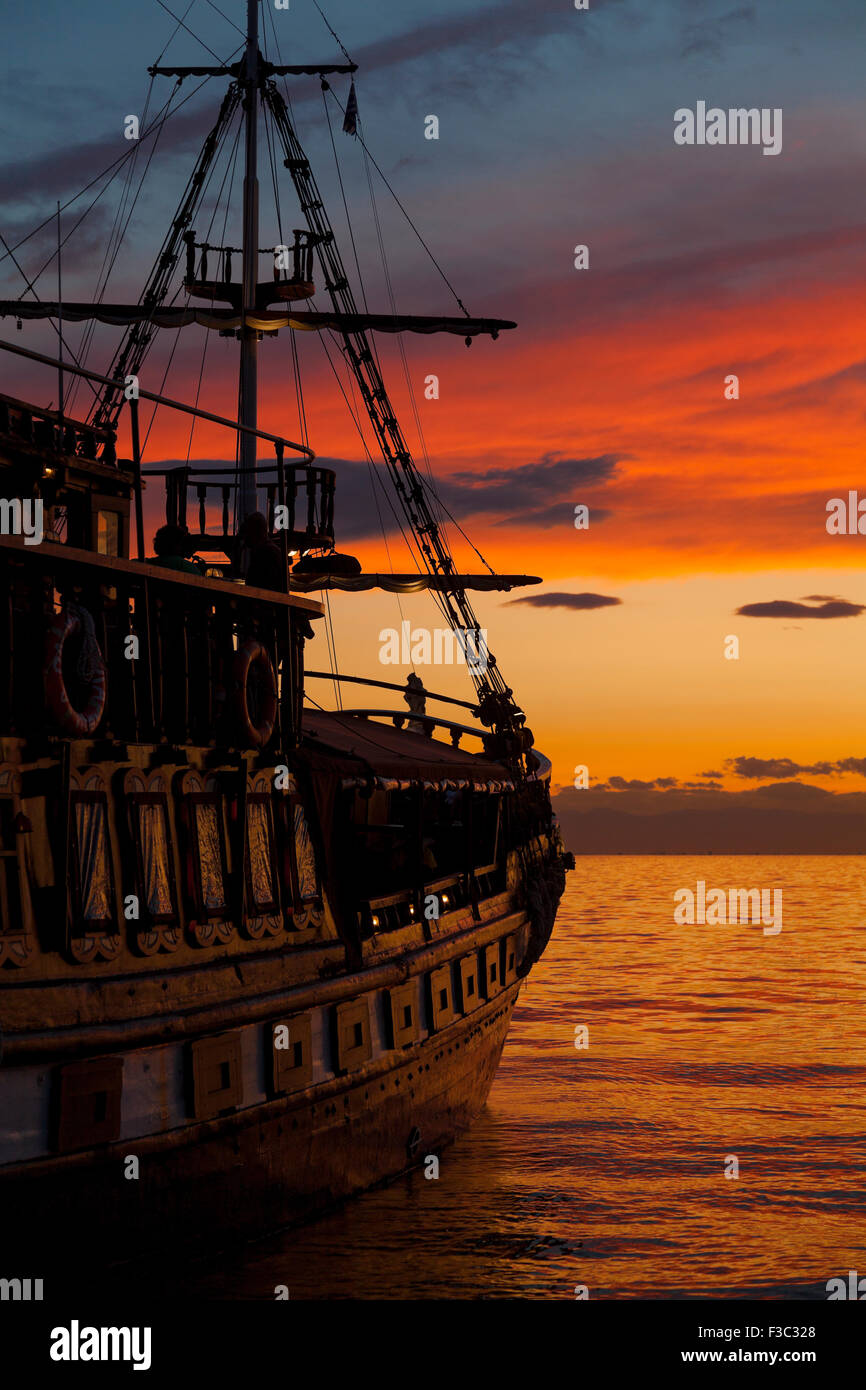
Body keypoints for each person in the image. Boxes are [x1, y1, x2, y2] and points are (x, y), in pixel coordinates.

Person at [236, 512, 284, 591]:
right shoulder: (267, 551)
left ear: (256, 532)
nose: (244, 538)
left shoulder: (267, 553)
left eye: (247, 532)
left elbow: (258, 585)